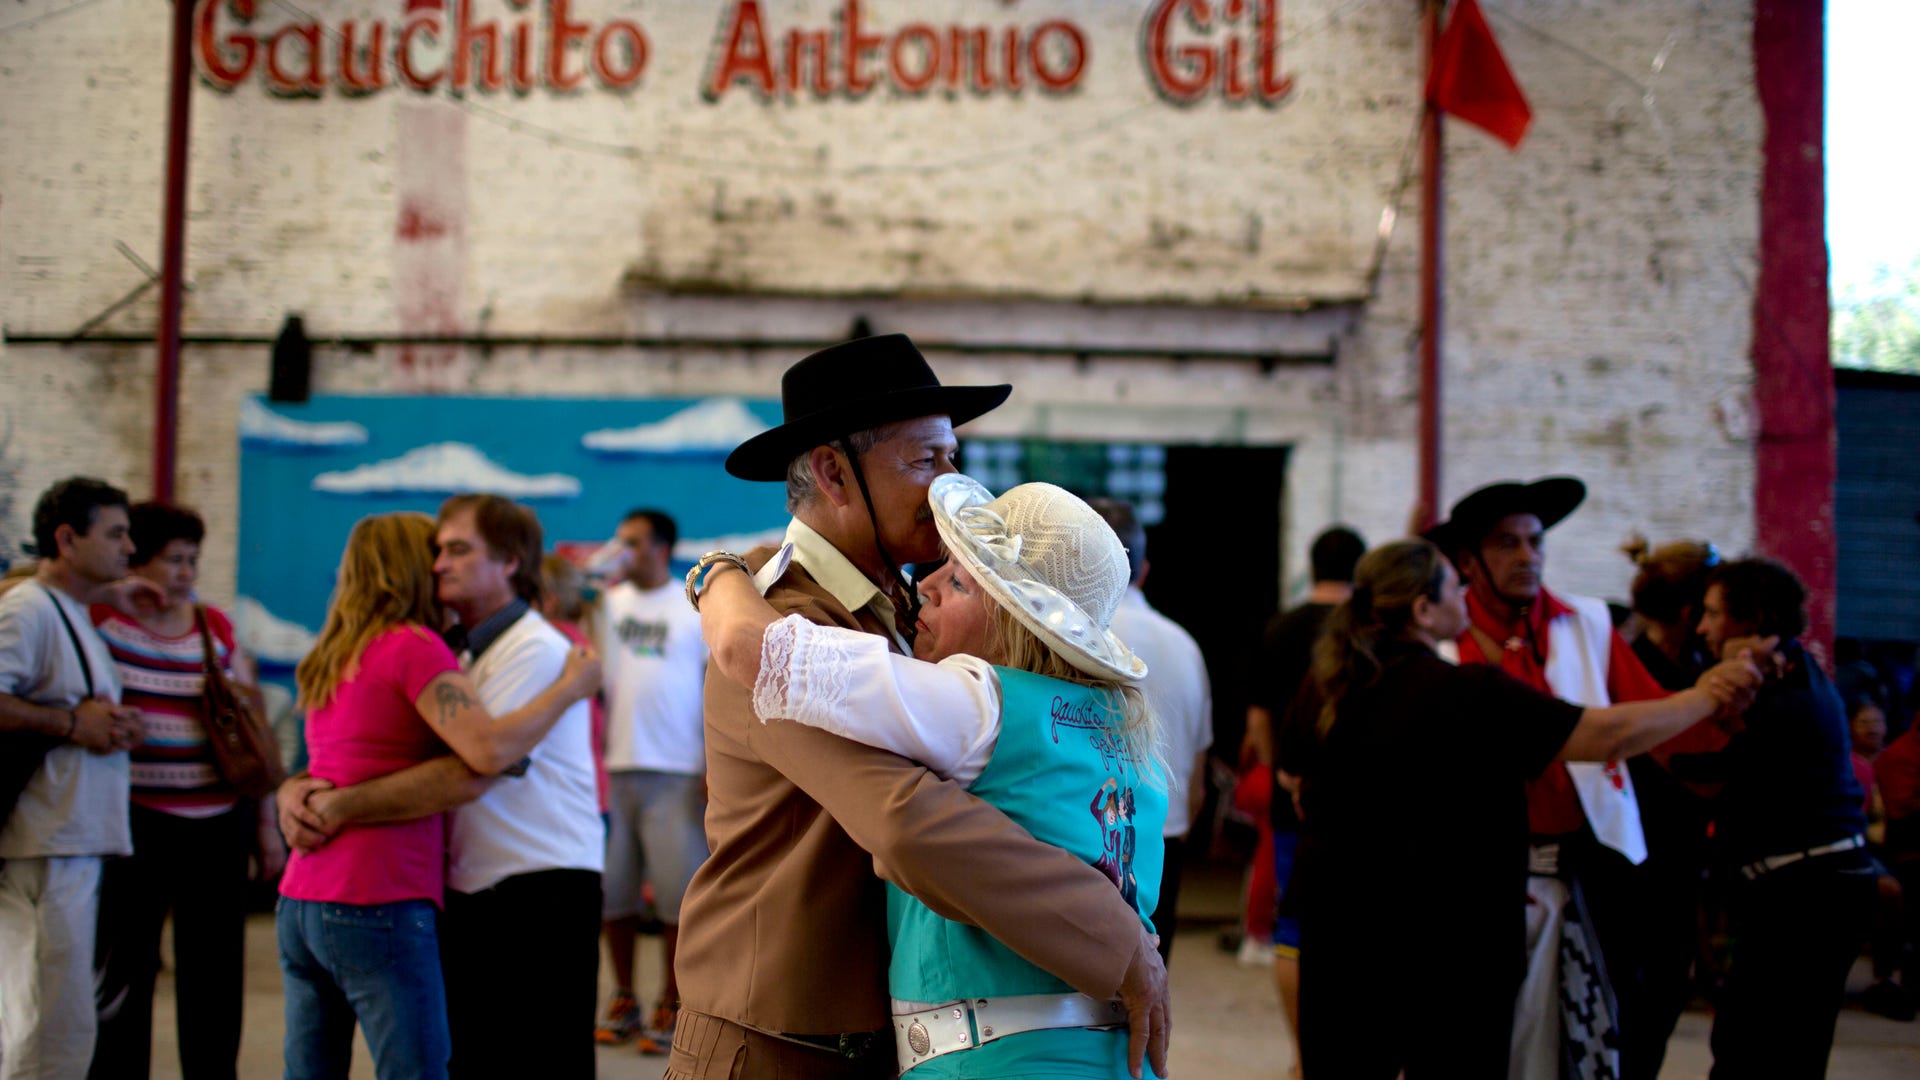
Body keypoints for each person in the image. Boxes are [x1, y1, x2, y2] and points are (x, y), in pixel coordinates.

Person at [665, 333, 1170, 1080]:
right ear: (835, 473)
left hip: (875, 1040)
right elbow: (906, 818)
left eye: (953, 460)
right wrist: (1120, 940)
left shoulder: (904, 607)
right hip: (774, 1043)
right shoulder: (783, 627)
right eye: (925, 461)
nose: (949, 486)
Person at [1277, 539, 1760, 1079]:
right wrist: (1706, 696)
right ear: (1422, 610)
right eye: (1454, 585)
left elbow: (1293, 778)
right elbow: (1607, 735)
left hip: (1342, 933)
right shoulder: (1466, 691)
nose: (1466, 593)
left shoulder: (1328, 686)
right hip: (1449, 944)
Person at [278, 495, 604, 1076]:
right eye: (436, 552)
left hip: (535, 883)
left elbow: (473, 768)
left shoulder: (532, 650)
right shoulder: (447, 646)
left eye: (457, 550)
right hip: (470, 886)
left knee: (539, 1059)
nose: (439, 565)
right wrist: (296, 789)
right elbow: (374, 752)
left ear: (508, 561)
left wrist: (334, 805)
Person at [1421, 476, 1670, 1079]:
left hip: (1589, 869)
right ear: (1468, 561)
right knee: (1483, 1040)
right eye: (1507, 543)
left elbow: (1659, 726)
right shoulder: (1439, 645)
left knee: (1584, 1042)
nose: (1527, 556)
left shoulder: (1586, 624)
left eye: (1535, 541)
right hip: (1473, 881)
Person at [88, 501, 285, 1080]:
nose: (185, 573)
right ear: (137, 561)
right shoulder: (102, 621)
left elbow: (253, 729)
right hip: (133, 822)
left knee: (215, 973)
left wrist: (267, 823)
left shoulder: (213, 627)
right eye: (173, 559)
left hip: (217, 822)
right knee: (127, 966)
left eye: (192, 560)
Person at [1693, 558, 1879, 1077]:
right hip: (1813, 887)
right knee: (1769, 1048)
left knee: (1756, 1053)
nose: (1701, 627)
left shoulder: (1777, 694)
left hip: (1808, 894)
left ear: (1750, 620)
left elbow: (1699, 769)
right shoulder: (1791, 668)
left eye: (1712, 614)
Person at [0, 477, 146, 1080]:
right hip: (45, 847)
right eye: (114, 534)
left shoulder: (73, 614)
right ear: (66, 539)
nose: (129, 548)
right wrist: (69, 723)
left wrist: (110, 728)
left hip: (71, 844)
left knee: (63, 1022)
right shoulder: (29, 609)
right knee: (44, 1025)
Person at [1247, 523, 1364, 1071]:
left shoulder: (1281, 628)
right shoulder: (1361, 630)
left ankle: (1303, 1054)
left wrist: (1277, 772)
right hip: (1357, 802)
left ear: (1313, 565)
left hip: (1291, 794)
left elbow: (1260, 718)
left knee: (1292, 923)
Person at [593, 508, 709, 1054]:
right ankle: (623, 997)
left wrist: (714, 764)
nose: (624, 551)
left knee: (674, 897)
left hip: (677, 771)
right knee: (614, 894)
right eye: (621, 541)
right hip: (617, 770)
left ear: (661, 548)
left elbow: (716, 690)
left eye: (634, 542)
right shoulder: (606, 607)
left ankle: (672, 998)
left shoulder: (692, 609)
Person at [1616, 535, 1728, 1071]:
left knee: (1656, 1007)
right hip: (1638, 861)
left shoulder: (1697, 664)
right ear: (1690, 613)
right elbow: (1695, 773)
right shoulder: (1644, 671)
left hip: (1674, 859)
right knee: (1638, 1006)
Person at [1088, 497, 1210, 965]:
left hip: (1086, 837)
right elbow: (1197, 774)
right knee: (1153, 981)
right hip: (1165, 840)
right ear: (1144, 569)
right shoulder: (1184, 644)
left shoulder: (1070, 636)